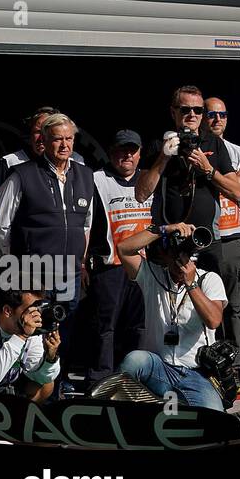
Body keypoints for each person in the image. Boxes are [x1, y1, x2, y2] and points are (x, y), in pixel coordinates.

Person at [116, 221, 228, 410]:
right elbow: (124, 249)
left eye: (184, 257)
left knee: (215, 416)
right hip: (159, 367)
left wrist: (191, 284)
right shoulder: (153, 275)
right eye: (174, 255)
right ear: (164, 256)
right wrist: (163, 229)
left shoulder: (208, 279)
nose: (179, 262)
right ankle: (126, 413)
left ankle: (173, 405)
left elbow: (214, 320)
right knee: (135, 360)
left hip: (195, 373)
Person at [0, 113, 94, 309]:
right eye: (57, 139)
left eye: (69, 138)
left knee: (64, 331)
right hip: (33, 272)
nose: (64, 145)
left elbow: (86, 224)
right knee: (33, 329)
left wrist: (81, 261)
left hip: (70, 273)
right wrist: (18, 252)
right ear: (44, 141)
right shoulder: (22, 174)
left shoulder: (86, 176)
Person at [197, 97, 240, 386]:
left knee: (234, 308)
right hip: (206, 241)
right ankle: (208, 369)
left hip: (234, 240)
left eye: (223, 114)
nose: (217, 119)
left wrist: (213, 176)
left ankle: (233, 371)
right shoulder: (194, 148)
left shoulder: (237, 151)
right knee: (206, 306)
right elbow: (236, 187)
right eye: (211, 114)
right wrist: (232, 183)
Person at [86, 130, 153, 384]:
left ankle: (134, 379)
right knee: (105, 328)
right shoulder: (96, 179)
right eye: (121, 149)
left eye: (132, 150)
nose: (127, 155)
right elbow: (86, 225)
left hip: (144, 268)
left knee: (139, 328)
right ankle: (99, 381)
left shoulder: (149, 179)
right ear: (111, 152)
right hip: (110, 266)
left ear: (140, 153)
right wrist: (84, 262)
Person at [135, 86, 240, 232]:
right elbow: (141, 195)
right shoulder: (158, 144)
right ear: (173, 112)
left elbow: (236, 193)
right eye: (185, 110)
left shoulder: (213, 142)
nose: (192, 115)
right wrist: (163, 158)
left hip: (206, 236)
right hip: (168, 236)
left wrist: (208, 169)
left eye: (198, 110)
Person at [0, 106, 85, 221]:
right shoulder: (11, 162)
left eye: (47, 132)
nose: (42, 138)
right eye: (38, 132)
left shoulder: (76, 162)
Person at [0, 289, 61, 400]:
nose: (37, 315)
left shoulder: (30, 325)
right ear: (8, 311)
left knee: (46, 385)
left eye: (38, 309)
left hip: (8, 381)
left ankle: (22, 416)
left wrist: (49, 358)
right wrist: (21, 336)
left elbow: (43, 378)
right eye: (31, 310)